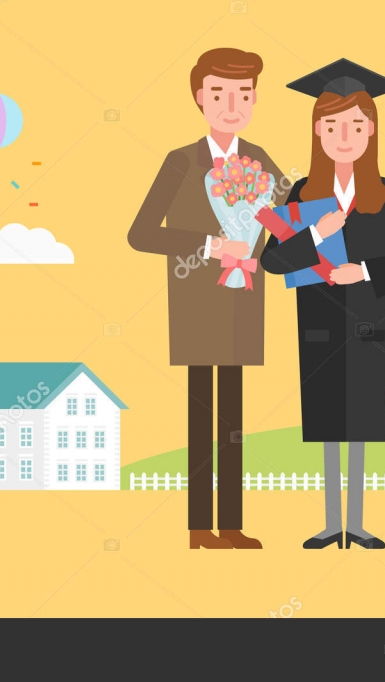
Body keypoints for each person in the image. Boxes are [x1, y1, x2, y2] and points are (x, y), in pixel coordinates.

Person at [128, 48, 288, 549]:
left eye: (243, 94)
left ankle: (232, 524)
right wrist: (210, 246)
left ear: (255, 99)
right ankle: (200, 527)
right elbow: (140, 234)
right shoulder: (181, 161)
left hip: (243, 303)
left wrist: (306, 229)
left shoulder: (261, 160)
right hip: (197, 304)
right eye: (219, 94)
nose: (231, 105)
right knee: (201, 418)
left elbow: (286, 221)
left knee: (233, 420)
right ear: (200, 97)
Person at [260, 59, 385, 549]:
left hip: (369, 322)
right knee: (328, 426)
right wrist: (315, 234)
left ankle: (359, 523)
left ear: (372, 129)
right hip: (319, 323)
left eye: (355, 124)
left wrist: (367, 271)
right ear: (317, 132)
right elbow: (272, 262)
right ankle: (333, 523)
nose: (344, 136)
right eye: (331, 126)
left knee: (361, 428)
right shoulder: (303, 192)